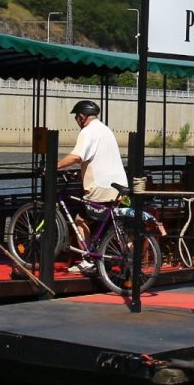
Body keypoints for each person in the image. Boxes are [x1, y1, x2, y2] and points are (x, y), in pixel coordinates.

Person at [57, 100, 128, 268]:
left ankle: (88, 260)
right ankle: (109, 254)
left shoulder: (88, 131)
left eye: (76, 117)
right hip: (118, 186)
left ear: (82, 117)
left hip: (100, 186)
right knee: (108, 222)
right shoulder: (106, 130)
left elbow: (77, 156)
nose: (76, 121)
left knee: (80, 219)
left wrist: (54, 165)